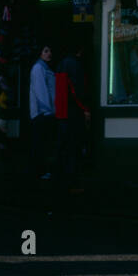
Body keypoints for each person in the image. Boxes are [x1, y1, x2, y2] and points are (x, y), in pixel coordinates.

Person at [55, 42, 91, 194]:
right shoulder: (75, 65)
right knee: (73, 148)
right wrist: (85, 109)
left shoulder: (61, 65)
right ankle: (72, 182)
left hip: (62, 112)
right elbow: (77, 91)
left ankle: (62, 180)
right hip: (72, 113)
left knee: (64, 147)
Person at [28, 44, 56, 181]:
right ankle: (39, 171)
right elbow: (41, 92)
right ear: (39, 53)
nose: (49, 53)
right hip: (41, 113)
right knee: (41, 144)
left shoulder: (44, 68)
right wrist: (47, 110)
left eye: (49, 50)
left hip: (44, 112)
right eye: (45, 51)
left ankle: (41, 170)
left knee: (42, 144)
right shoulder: (39, 68)